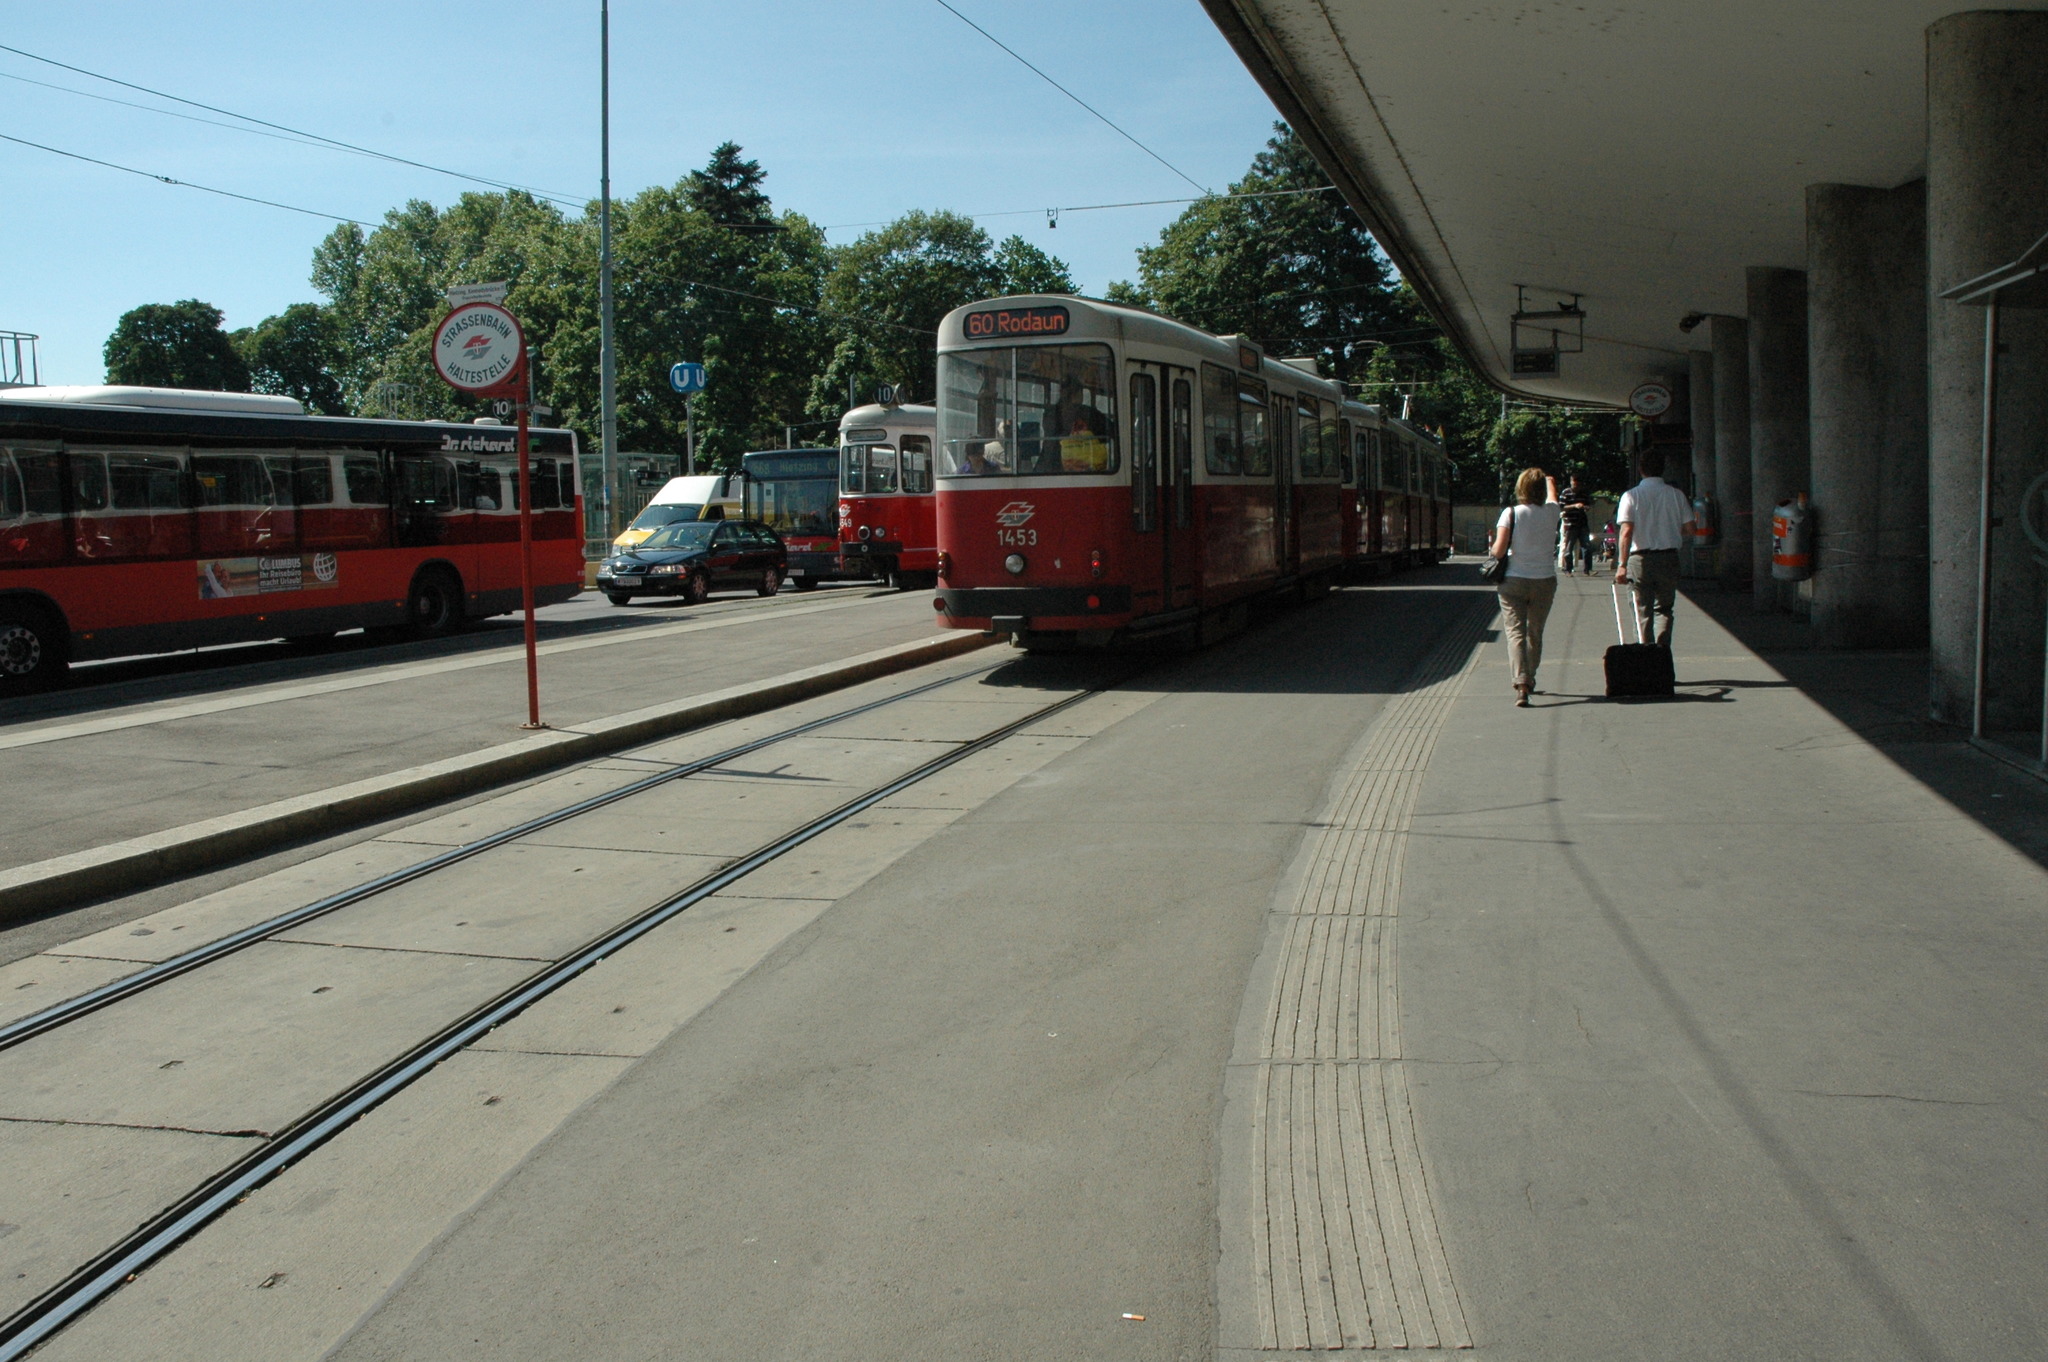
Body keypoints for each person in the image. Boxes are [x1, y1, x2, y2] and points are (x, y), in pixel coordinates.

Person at [1489, 467, 1561, 707]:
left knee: (1515, 633)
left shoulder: (1510, 514)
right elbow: (1553, 498)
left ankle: (1521, 684)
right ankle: (1530, 677)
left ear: (1520, 488)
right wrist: (1551, 482)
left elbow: (1498, 551)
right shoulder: (1552, 512)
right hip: (1544, 581)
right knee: (1535, 632)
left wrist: (1493, 549)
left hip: (1514, 581)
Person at [1613, 447, 1695, 648]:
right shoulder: (1676, 495)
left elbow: (1626, 531)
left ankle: (1646, 656)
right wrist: (1670, 531)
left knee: (1642, 611)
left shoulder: (1631, 496)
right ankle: (1662, 654)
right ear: (1663, 469)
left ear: (1641, 469)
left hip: (1640, 559)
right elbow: (1691, 529)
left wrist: (1621, 564)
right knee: (1664, 609)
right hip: (1669, 558)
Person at [1558, 481, 1592, 574]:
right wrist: (1574, 506)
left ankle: (1588, 569)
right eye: (1573, 485)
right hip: (1570, 523)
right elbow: (1561, 507)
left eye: (1577, 486)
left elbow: (1588, 505)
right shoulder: (1566, 493)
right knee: (1569, 547)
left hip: (1582, 523)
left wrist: (1584, 507)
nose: (1575, 487)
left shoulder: (1584, 493)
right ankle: (1568, 568)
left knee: (1587, 547)